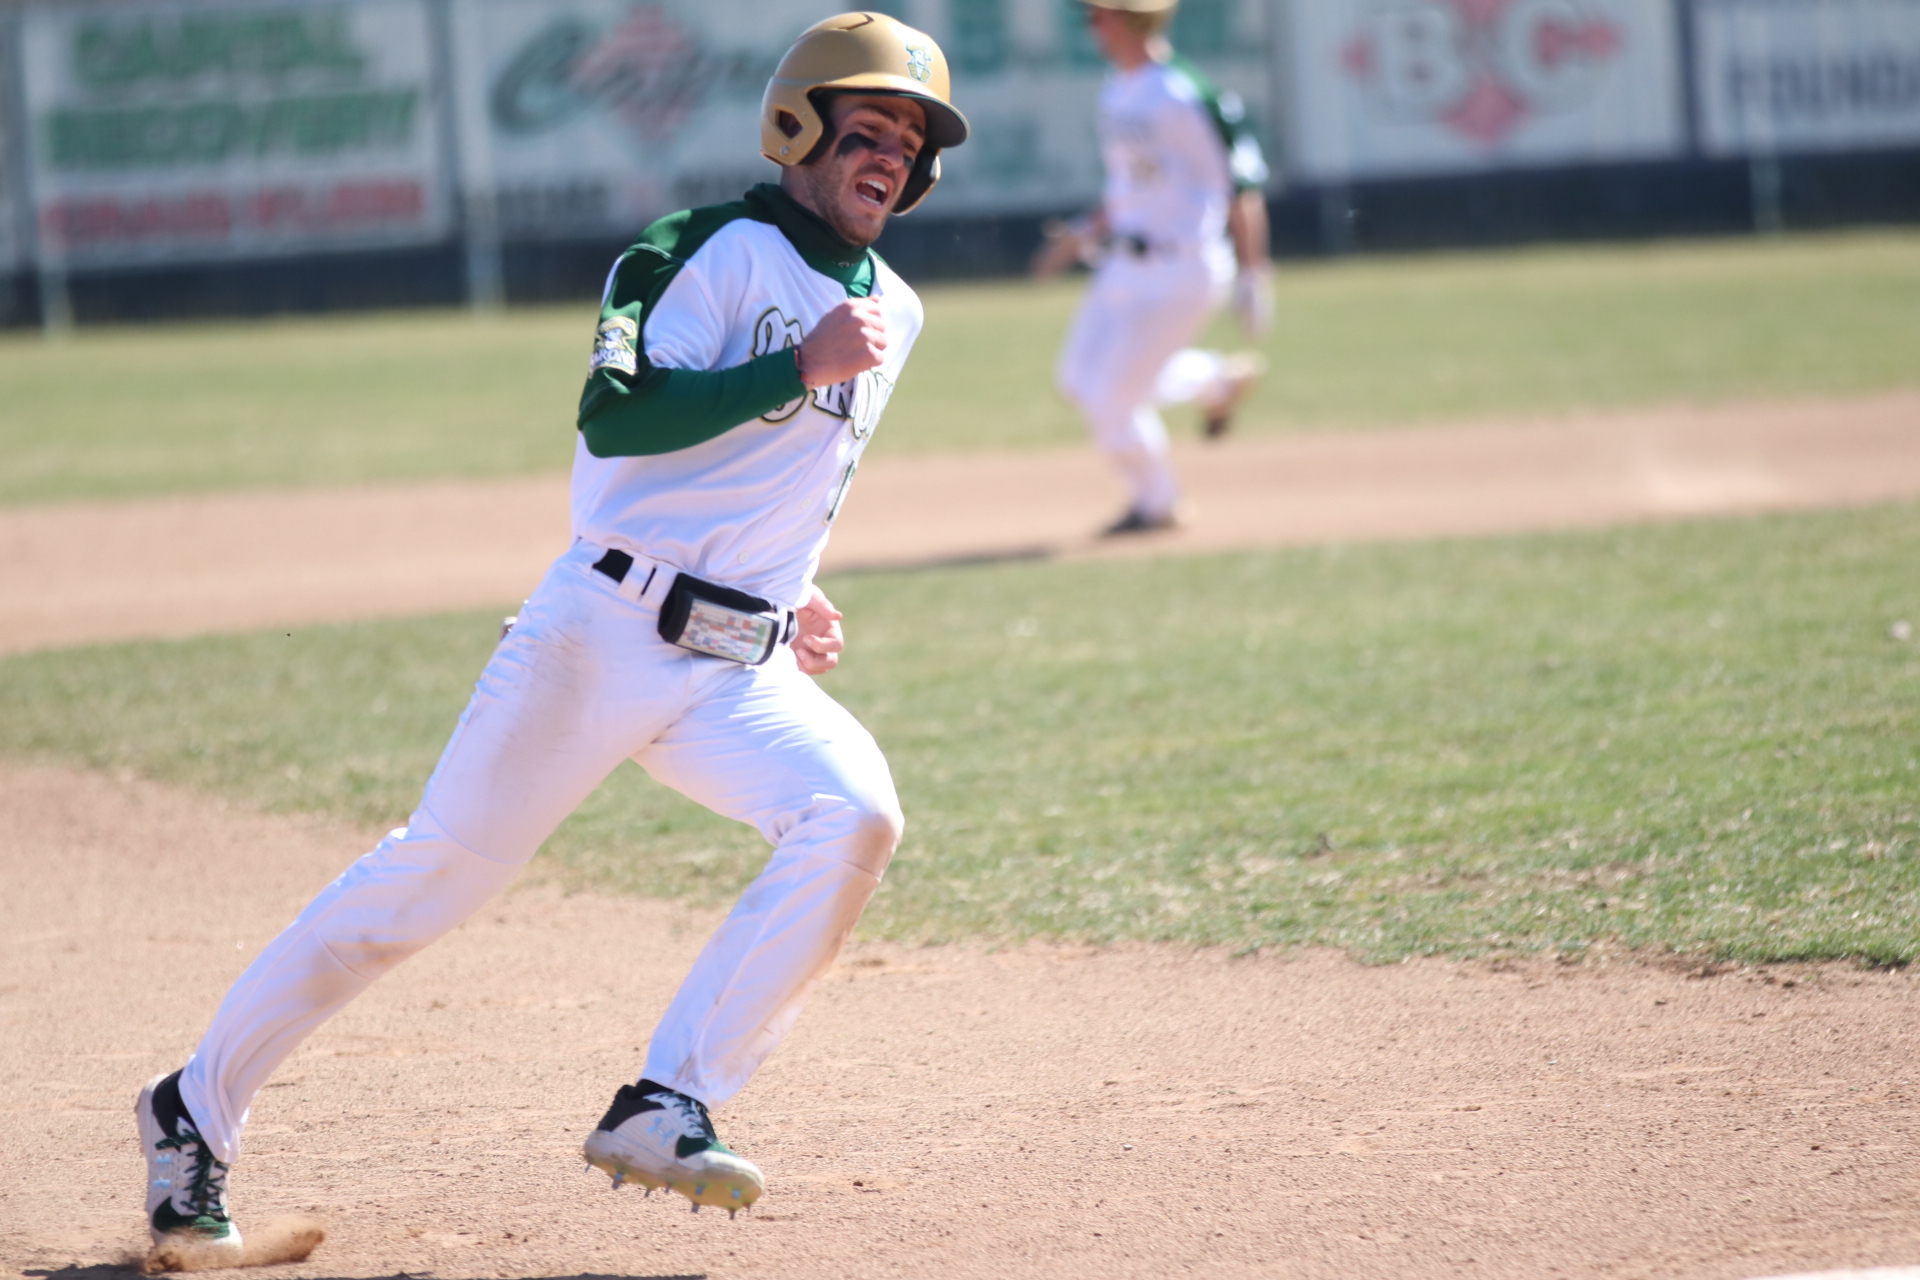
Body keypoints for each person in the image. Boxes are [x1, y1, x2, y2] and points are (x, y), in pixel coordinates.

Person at [134, 11, 968, 1256]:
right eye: (870, 124)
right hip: (602, 632)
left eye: (912, 137)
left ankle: (669, 1097)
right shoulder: (699, 248)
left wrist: (795, 588)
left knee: (853, 812)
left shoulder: (893, 304)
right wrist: (792, 363)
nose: (891, 151)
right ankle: (191, 1109)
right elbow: (617, 417)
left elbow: (794, 477)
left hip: (734, 662)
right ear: (798, 123)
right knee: (421, 889)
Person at [1036, 0, 1273, 536]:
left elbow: (1242, 186)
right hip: (1123, 261)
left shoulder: (1182, 94)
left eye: (1099, 15)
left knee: (1111, 401)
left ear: (1129, 18)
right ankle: (1213, 379)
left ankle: (1159, 503)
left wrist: (1256, 273)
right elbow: (1131, 188)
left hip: (1180, 266)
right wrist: (1084, 231)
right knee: (1078, 379)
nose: (1092, 25)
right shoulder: (1118, 87)